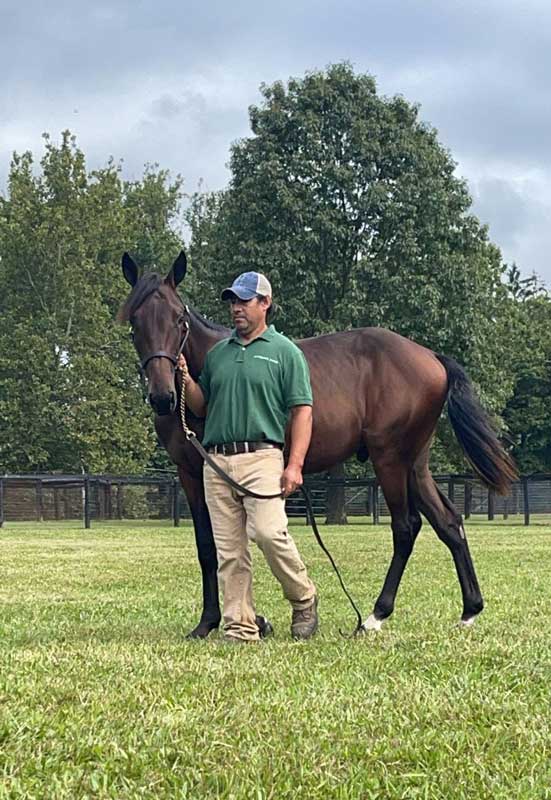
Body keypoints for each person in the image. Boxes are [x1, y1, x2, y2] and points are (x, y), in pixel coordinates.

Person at [178, 271, 318, 643]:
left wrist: (295, 464)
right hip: (217, 461)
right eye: (232, 301)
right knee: (230, 551)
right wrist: (188, 382)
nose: (235, 308)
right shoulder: (218, 355)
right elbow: (203, 407)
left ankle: (303, 597)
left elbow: (302, 411)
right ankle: (240, 626)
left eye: (244, 301)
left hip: (262, 458)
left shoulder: (285, 351)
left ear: (265, 303)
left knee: (270, 534)